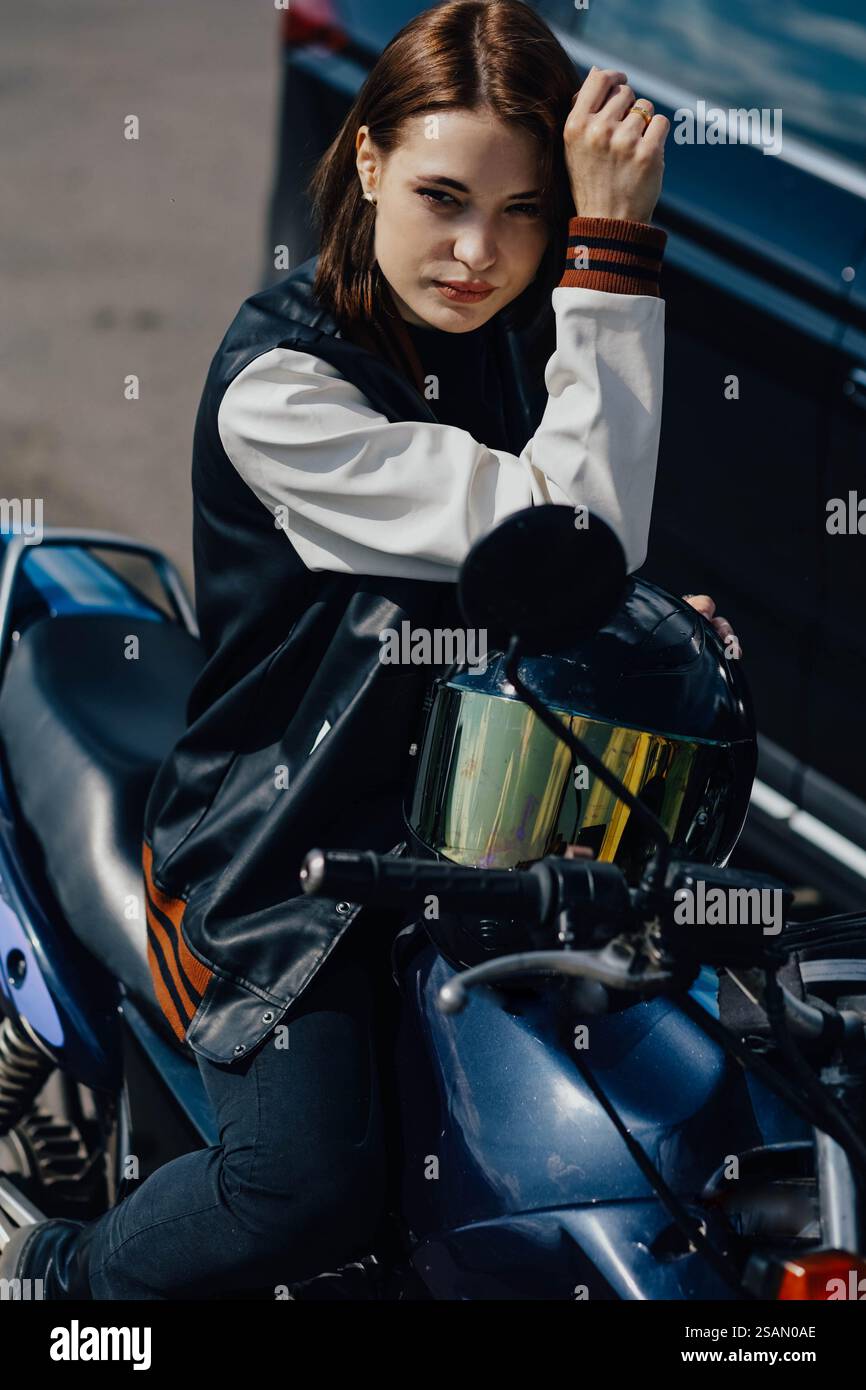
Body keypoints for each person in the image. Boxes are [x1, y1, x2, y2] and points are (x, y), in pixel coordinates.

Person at [0, 0, 732, 1299]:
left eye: (525, 212)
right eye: (444, 196)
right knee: (308, 1181)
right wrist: (613, 252)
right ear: (368, 161)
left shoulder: (501, 335)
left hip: (470, 825)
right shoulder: (285, 391)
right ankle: (56, 1278)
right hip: (286, 864)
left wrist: (656, 636)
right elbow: (569, 540)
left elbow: (564, 574)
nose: (477, 250)